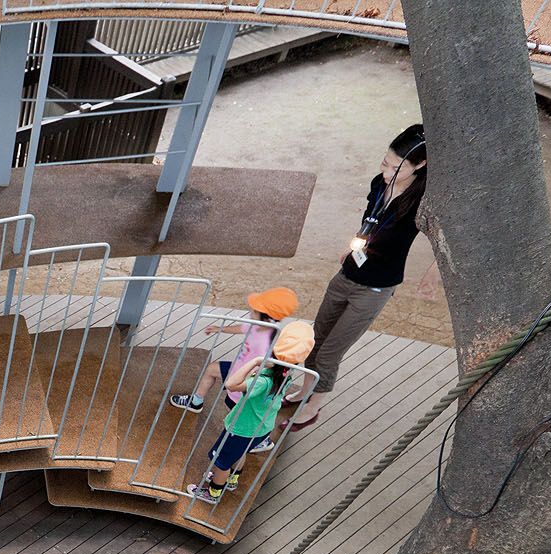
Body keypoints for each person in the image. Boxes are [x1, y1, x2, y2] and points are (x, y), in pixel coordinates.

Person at [303, 123, 428, 423]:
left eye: (397, 167)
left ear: (420, 164)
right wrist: (357, 243)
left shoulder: (421, 202)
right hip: (346, 275)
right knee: (316, 338)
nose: (387, 171)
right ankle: (304, 390)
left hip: (374, 288)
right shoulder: (378, 184)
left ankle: (314, 404)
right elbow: (370, 221)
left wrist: (434, 274)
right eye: (386, 162)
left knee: (331, 351)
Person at [188, 320, 314, 503]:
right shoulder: (286, 373)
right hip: (260, 428)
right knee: (239, 453)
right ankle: (233, 479)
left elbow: (231, 384)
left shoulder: (264, 380)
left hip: (241, 428)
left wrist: (256, 362)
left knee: (221, 461)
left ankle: (213, 492)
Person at [168, 286, 299, 415]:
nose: (250, 312)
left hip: (243, 379)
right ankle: (196, 402)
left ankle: (247, 433)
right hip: (237, 368)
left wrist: (243, 383)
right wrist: (220, 329)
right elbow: (242, 327)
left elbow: (265, 365)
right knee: (211, 370)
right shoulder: (258, 325)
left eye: (254, 311)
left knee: (235, 410)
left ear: (267, 316)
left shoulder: (266, 342)